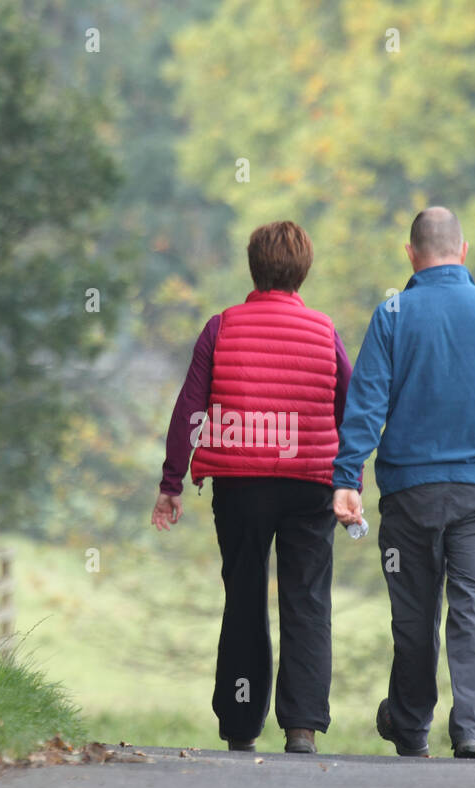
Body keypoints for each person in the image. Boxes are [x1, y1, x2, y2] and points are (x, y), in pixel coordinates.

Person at [331, 207, 475, 759]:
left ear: (410, 254)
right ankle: (471, 731)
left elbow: (366, 402)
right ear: (464, 250)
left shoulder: (391, 314)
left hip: (410, 492)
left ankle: (410, 727)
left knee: (414, 614)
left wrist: (347, 476)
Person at [152, 221, 353, 755]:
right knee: (307, 597)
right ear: (303, 270)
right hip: (309, 483)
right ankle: (302, 727)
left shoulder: (222, 327)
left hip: (240, 484)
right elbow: (350, 408)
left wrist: (172, 481)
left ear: (253, 268)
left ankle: (241, 725)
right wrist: (348, 477)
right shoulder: (324, 331)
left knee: (243, 595)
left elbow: (190, 409)